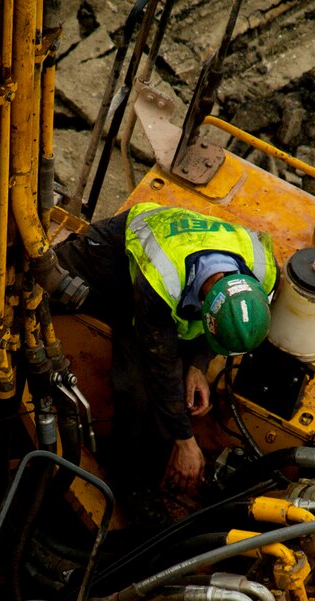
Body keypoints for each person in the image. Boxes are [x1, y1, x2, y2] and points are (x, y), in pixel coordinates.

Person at [52, 202, 278, 501]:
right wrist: (185, 441)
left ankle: (135, 484)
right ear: (205, 308)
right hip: (115, 253)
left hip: (169, 286)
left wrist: (197, 365)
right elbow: (160, 365)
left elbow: (214, 325)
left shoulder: (263, 271)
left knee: (155, 393)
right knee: (36, 282)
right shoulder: (163, 280)